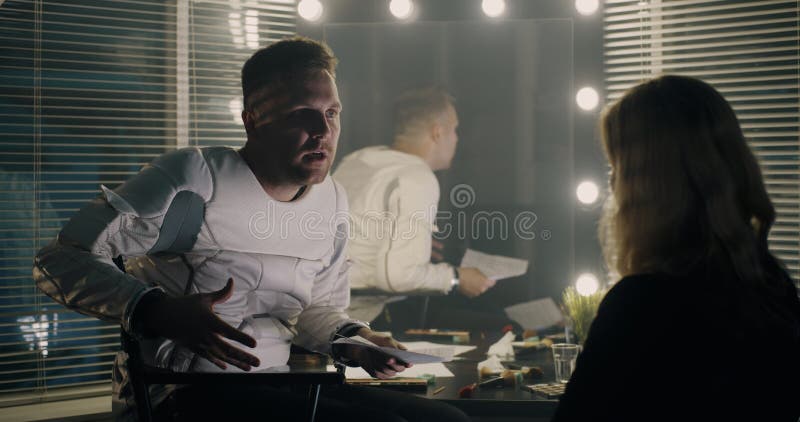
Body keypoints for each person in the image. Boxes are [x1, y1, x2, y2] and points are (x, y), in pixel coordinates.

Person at [33, 37, 468, 422]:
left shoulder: (331, 197)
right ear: (253, 119)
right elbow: (58, 260)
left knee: (447, 419)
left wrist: (353, 339)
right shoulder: (195, 178)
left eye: (331, 113)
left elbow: (316, 310)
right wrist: (154, 309)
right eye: (303, 114)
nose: (323, 131)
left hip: (281, 387)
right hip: (183, 397)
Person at [552, 75, 800, 421]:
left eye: (618, 167)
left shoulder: (638, 305)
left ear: (647, 186)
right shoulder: (773, 284)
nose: (612, 182)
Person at [333, 87, 503, 330]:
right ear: (437, 132)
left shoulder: (357, 161)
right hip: (349, 321)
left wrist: (416, 248)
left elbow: (358, 236)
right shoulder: (416, 176)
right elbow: (397, 276)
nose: (456, 138)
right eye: (454, 129)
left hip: (315, 310)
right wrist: (456, 277)